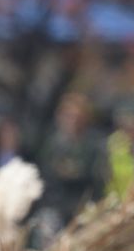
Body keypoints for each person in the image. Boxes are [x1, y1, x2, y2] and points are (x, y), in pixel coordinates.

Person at [37, 94, 107, 230]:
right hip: (54, 208)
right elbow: (45, 178)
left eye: (78, 117)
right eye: (69, 116)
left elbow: (96, 182)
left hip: (80, 208)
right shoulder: (52, 144)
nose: (73, 121)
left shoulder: (93, 146)